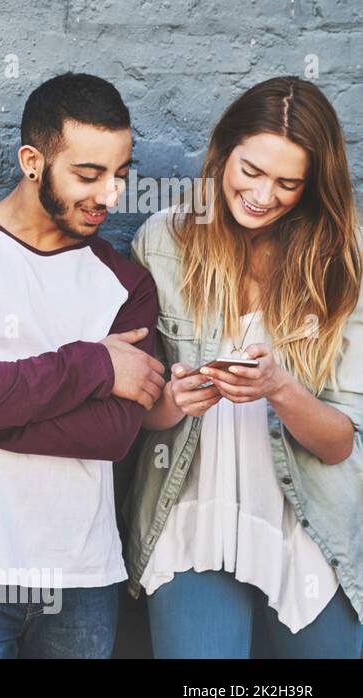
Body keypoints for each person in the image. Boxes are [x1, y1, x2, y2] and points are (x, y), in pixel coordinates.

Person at [0, 73, 163, 658]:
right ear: (32, 162)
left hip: (85, 577)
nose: (109, 196)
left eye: (120, 175)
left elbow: (114, 435)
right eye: (88, 174)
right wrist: (95, 365)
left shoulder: (126, 286)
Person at [127, 76, 363, 658]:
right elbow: (138, 415)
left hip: (311, 528)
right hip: (190, 518)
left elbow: (339, 444)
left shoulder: (343, 261)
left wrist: (278, 388)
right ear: (222, 152)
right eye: (250, 170)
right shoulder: (164, 241)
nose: (262, 194)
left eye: (288, 183)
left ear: (312, 186)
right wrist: (173, 399)